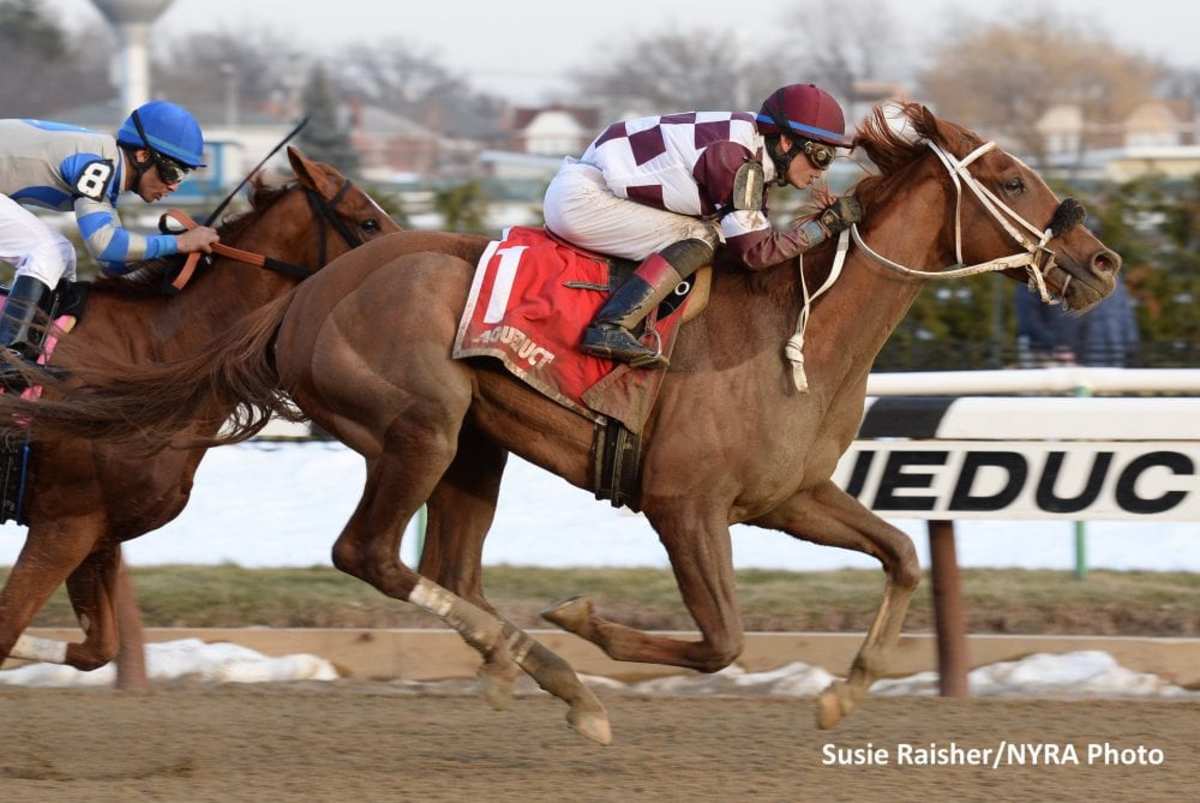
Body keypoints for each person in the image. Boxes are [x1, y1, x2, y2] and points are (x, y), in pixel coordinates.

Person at [544, 83, 862, 368]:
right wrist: (825, 226)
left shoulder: (749, 140)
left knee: (717, 234)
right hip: (583, 201)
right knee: (702, 236)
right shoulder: (737, 159)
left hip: (591, 186)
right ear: (784, 142)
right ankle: (611, 327)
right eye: (821, 155)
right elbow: (755, 254)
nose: (822, 170)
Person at [0, 100, 220, 388]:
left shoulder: (107, 165)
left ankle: (41, 352)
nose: (174, 186)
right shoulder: (99, 165)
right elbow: (105, 246)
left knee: (64, 255)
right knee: (47, 250)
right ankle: (10, 358)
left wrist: (166, 259)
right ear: (142, 155)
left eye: (183, 175)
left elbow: (112, 264)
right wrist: (178, 243)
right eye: (173, 172)